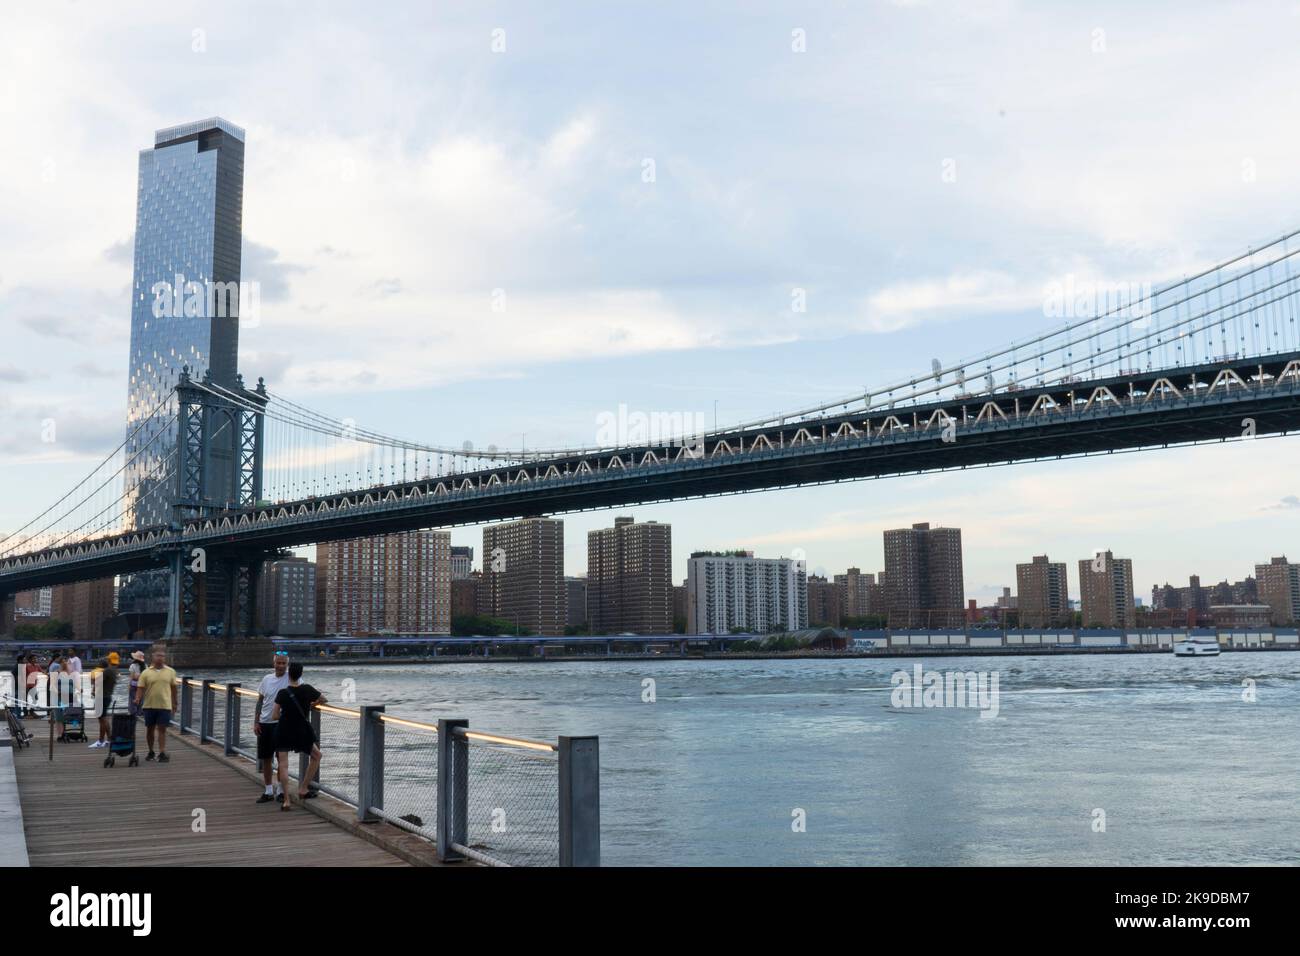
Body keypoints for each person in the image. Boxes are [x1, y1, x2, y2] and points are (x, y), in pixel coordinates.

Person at [271, 663, 326, 811]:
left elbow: (274, 715)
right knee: (317, 755)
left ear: (289, 675)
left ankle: (287, 800)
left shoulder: (282, 693)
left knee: (283, 764)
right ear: (301, 675)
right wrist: (312, 705)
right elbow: (324, 699)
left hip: (283, 731)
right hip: (301, 731)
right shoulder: (307, 689)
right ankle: (303, 788)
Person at [252, 651, 291, 804]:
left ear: (287, 665)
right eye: (278, 663)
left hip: (281, 724)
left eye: (283, 663)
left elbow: (302, 690)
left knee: (281, 759)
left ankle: (281, 791)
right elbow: (260, 700)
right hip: (264, 723)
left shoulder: (291, 678)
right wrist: (256, 721)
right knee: (266, 758)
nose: (281, 666)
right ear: (273, 663)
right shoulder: (266, 679)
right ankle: (268, 790)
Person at [134, 647, 177, 763]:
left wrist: (175, 703)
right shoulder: (146, 672)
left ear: (165, 658)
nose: (160, 658)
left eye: (162, 656)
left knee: (162, 729)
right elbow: (140, 688)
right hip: (149, 705)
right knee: (150, 730)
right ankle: (151, 751)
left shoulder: (171, 672)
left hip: (164, 705)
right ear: (153, 657)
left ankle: (162, 752)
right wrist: (137, 698)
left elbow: (174, 688)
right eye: (158, 655)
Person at [89, 657, 118, 749]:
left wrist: (93, 683)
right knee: (104, 718)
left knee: (102, 720)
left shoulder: (106, 672)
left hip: (101, 697)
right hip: (107, 696)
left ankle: (100, 741)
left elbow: (96, 682)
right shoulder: (114, 671)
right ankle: (109, 739)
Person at [127, 651, 145, 717]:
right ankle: (140, 713)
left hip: (134, 685)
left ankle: (133, 713)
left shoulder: (133, 665)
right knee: (141, 699)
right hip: (142, 685)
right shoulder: (145, 666)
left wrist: (129, 685)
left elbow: (131, 677)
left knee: (132, 699)